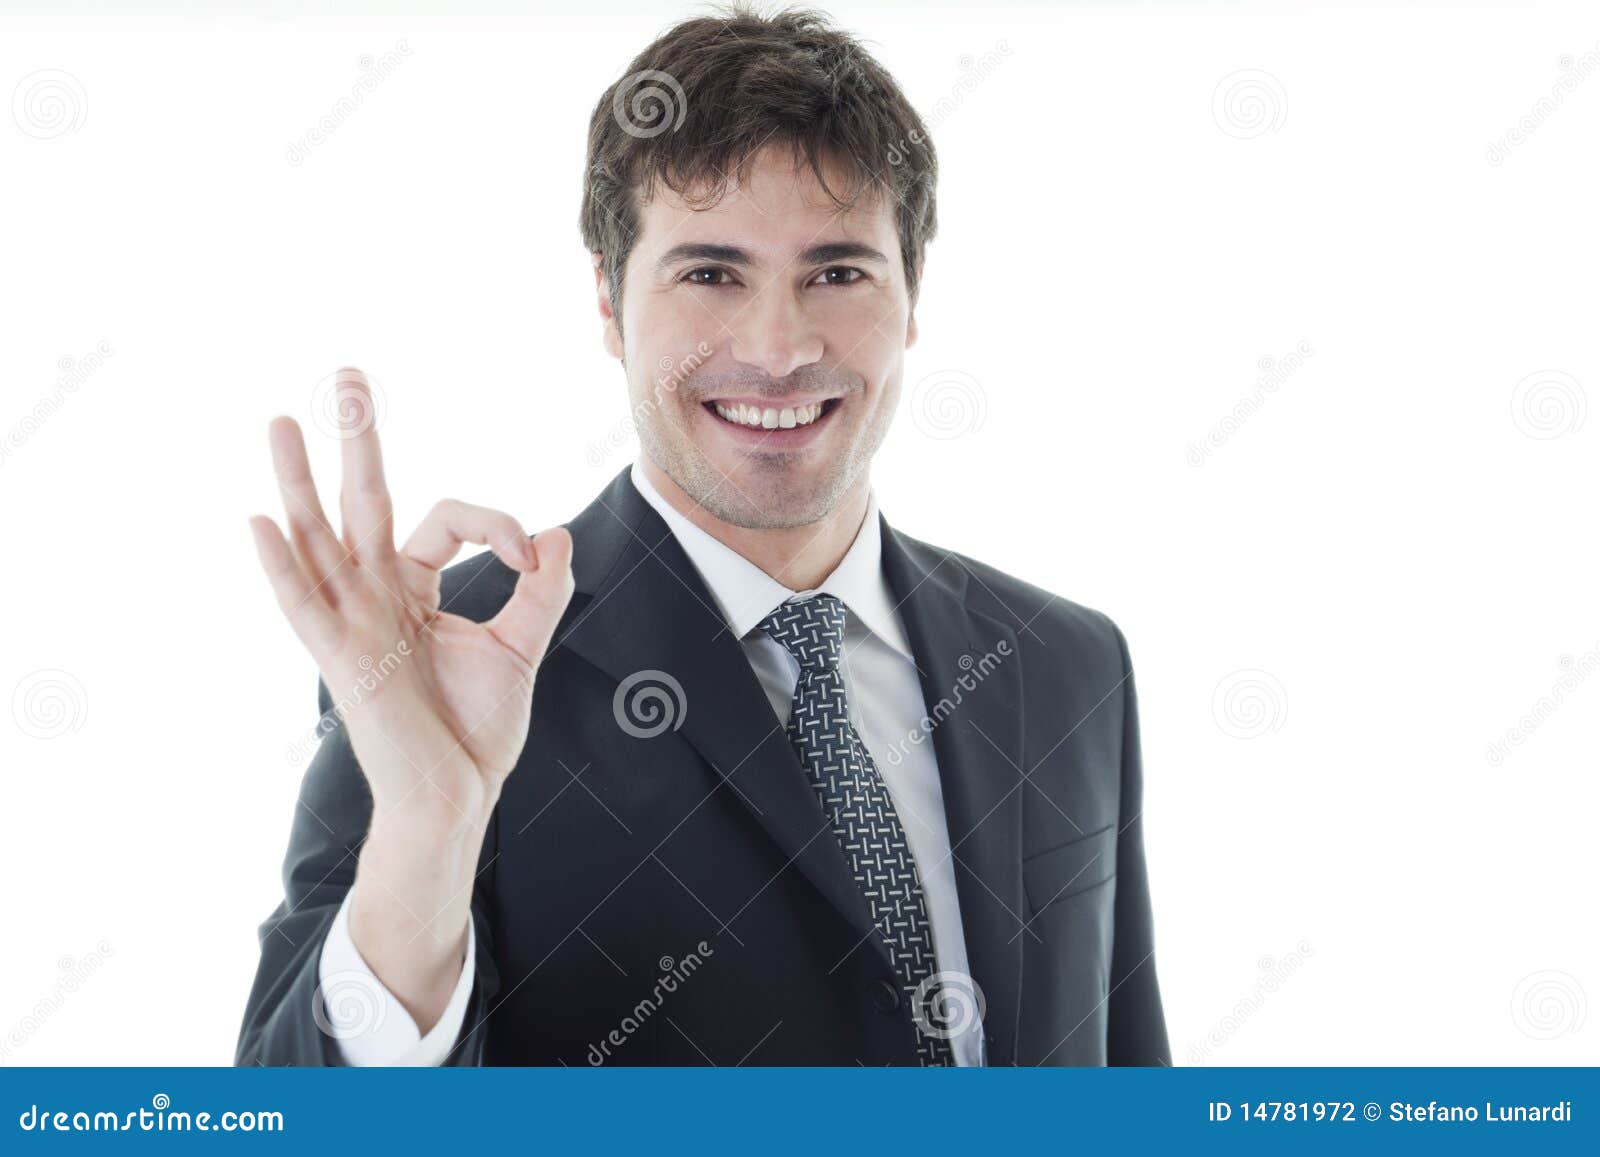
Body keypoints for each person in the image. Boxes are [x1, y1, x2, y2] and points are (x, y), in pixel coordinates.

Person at [236, 4, 1168, 1067]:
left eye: (837, 271)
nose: (778, 348)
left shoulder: (1065, 662)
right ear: (607, 298)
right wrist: (427, 828)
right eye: (711, 272)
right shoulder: (447, 664)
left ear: (912, 294)